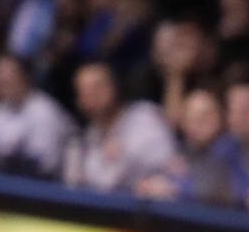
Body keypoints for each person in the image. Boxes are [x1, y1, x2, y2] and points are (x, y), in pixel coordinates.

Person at [63, 62, 176, 194]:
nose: (91, 94)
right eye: (84, 90)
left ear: (115, 86)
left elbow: (164, 160)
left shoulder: (144, 116)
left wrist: (119, 158)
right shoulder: (89, 135)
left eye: (97, 87)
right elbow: (89, 183)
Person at [137, 87, 244, 207]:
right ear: (183, 122)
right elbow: (161, 176)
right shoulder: (183, 149)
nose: (200, 121)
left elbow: (212, 189)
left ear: (222, 116)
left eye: (207, 114)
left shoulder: (231, 147)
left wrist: (174, 189)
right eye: (192, 116)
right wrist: (151, 184)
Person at [0, 53, 74, 177]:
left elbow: (45, 164)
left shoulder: (44, 111)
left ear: (24, 77)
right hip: (0, 181)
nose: (3, 81)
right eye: (0, 79)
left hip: (38, 187)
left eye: (9, 78)